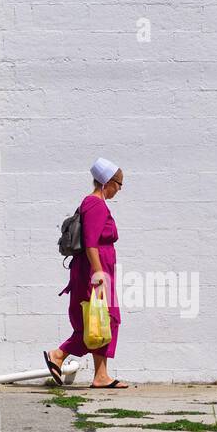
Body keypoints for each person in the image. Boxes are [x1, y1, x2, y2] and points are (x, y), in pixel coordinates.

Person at [44, 157, 128, 388]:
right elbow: (91, 242)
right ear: (108, 182)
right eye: (119, 185)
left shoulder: (93, 204)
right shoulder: (96, 204)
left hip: (95, 270)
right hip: (94, 272)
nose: (119, 190)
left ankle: (101, 375)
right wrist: (99, 273)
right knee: (102, 319)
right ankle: (58, 355)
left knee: (100, 320)